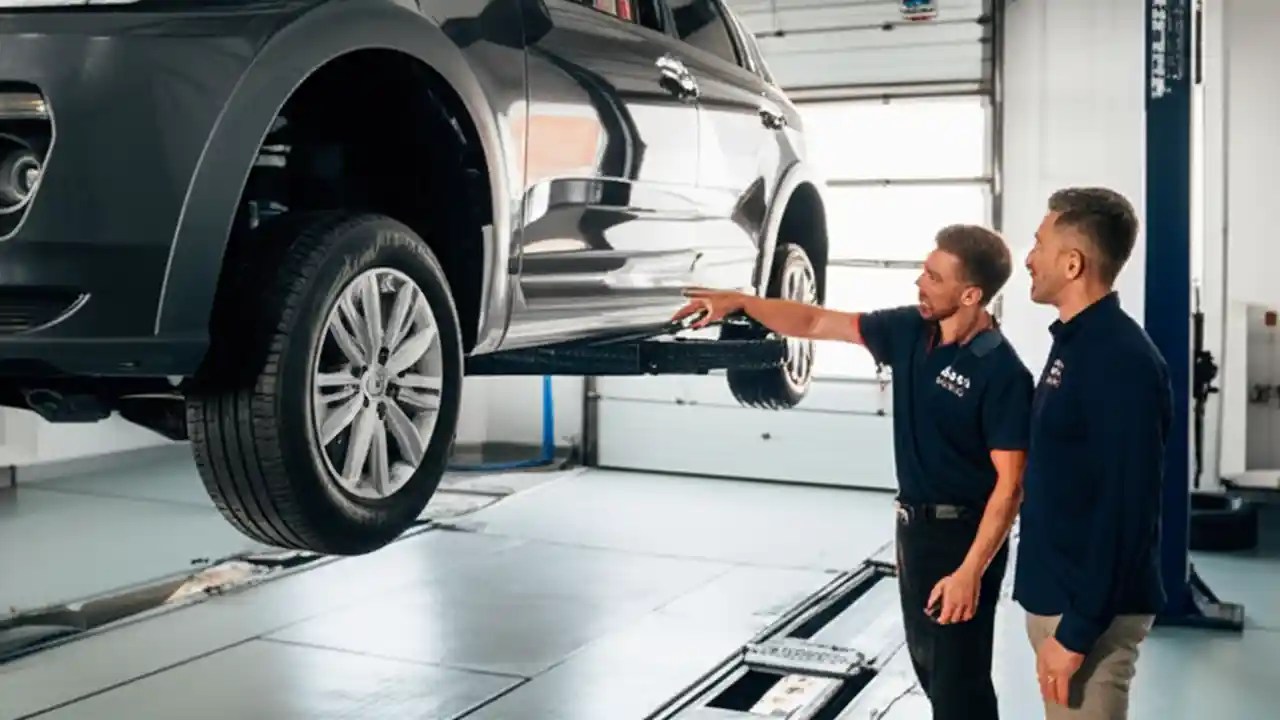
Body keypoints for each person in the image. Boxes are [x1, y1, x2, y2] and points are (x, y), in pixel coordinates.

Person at [674, 225, 1034, 720]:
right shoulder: (910, 330)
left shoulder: (1003, 373)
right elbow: (816, 321)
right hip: (914, 531)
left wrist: (970, 572)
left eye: (933, 276)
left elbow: (1010, 488)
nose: (919, 282)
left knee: (959, 686)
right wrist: (742, 302)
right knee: (933, 671)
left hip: (963, 539)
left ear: (971, 294)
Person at [1015, 187, 1172, 718]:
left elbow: (1127, 509)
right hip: (1063, 596)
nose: (1029, 257)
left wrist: (1078, 631)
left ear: (1073, 261)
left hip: (1087, 616)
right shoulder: (1077, 344)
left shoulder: (1119, 360)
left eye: (1039, 243)